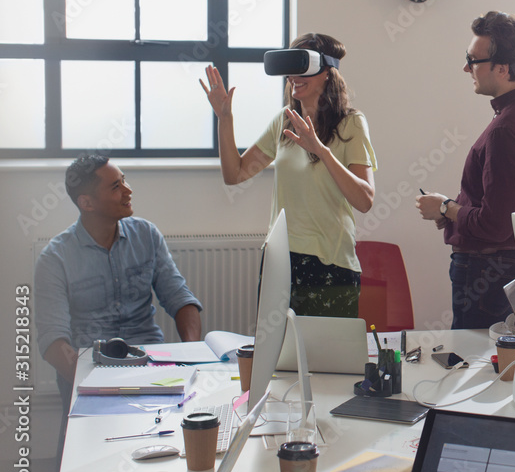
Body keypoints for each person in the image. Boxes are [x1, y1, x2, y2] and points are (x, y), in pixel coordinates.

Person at [202, 33, 376, 317]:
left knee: (326, 347)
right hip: (280, 258)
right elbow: (235, 174)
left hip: (329, 262)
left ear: (327, 72)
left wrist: (321, 151)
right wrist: (225, 118)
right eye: (290, 68)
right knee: (277, 345)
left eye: (302, 67)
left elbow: (365, 200)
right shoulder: (284, 121)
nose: (293, 77)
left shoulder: (351, 123)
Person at [415, 11, 515, 329]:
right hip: (513, 264)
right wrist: (455, 211)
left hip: (486, 270)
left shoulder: (506, 128)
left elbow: (495, 225)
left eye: (473, 60)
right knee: (501, 354)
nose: (466, 68)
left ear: (502, 68)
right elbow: (508, 205)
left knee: (474, 355)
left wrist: (445, 207)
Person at [35, 155, 203, 405]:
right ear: (87, 202)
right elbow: (52, 339)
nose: (128, 191)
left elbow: (181, 299)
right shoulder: (55, 257)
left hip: (149, 363)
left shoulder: (146, 234)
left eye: (124, 181)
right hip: (88, 370)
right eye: (116, 186)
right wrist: (90, 383)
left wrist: (191, 353)